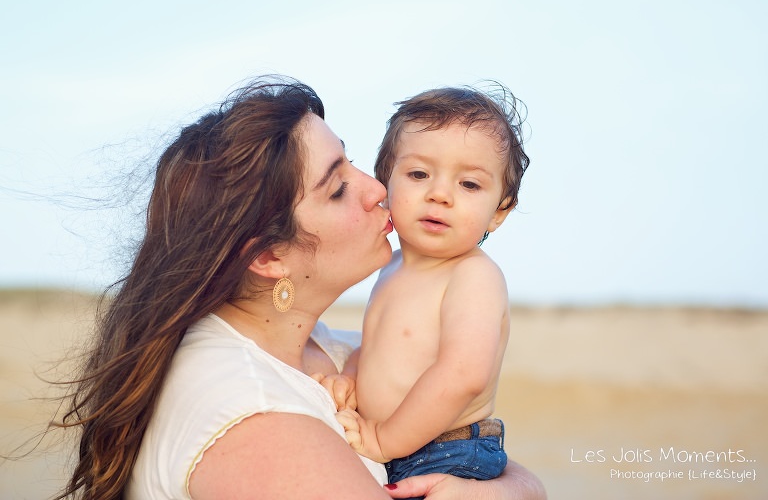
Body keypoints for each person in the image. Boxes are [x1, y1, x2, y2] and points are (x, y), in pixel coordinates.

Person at [52, 76, 545, 500]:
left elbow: (458, 394)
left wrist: (515, 487)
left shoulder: (324, 351)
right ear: (267, 256)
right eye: (337, 187)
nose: (377, 190)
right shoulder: (252, 414)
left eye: (351, 163)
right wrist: (519, 489)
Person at [334, 84, 529, 490]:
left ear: (500, 211)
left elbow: (463, 375)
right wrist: (350, 377)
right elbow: (382, 348)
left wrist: (382, 439)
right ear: (385, 183)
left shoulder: (473, 276)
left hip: (448, 452)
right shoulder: (392, 266)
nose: (439, 194)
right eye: (419, 174)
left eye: (469, 185)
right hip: (401, 448)